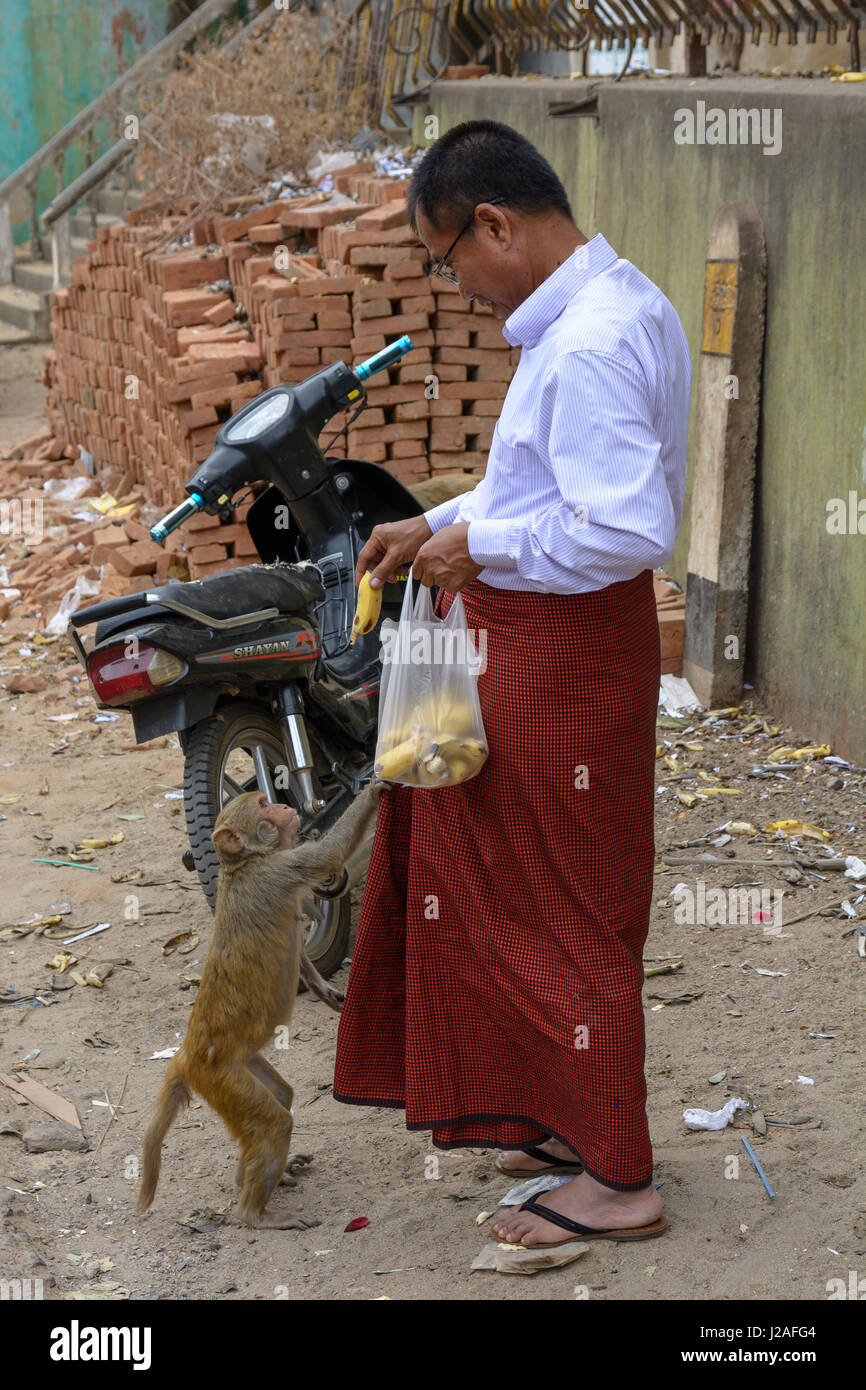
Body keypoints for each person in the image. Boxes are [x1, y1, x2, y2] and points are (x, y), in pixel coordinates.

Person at [332, 119, 691, 1247]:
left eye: (449, 260)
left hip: (559, 657)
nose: (459, 287)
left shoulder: (582, 344)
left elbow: (624, 530)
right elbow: (530, 486)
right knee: (498, 876)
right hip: (556, 645)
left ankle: (619, 1182)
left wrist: (477, 553)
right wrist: (432, 522)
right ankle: (560, 1114)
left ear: (495, 223)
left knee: (561, 904)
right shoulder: (613, 305)